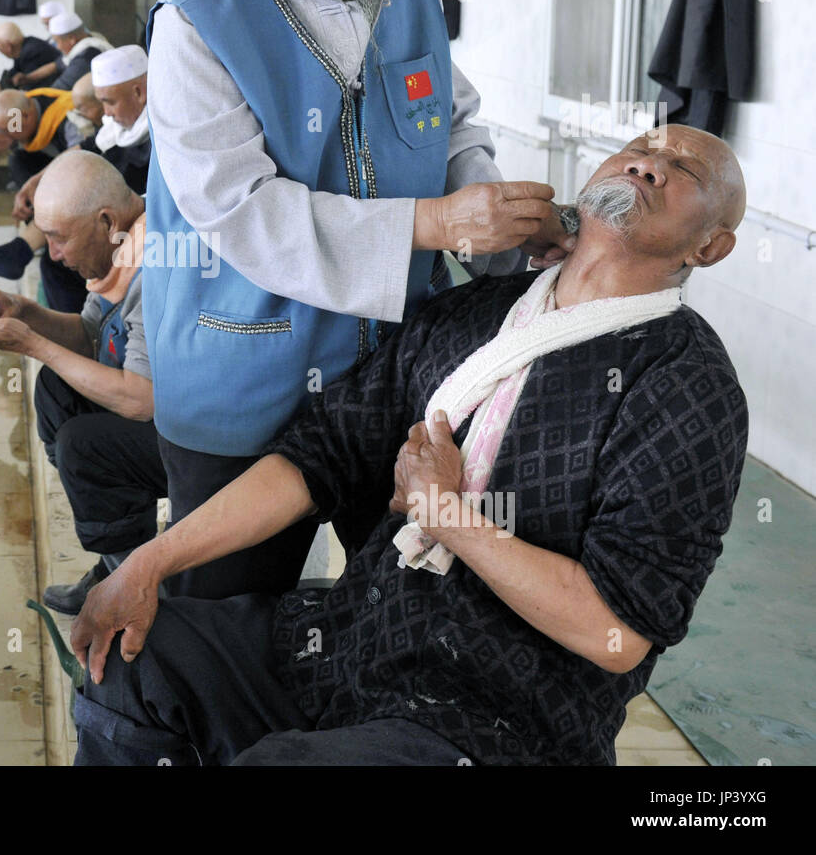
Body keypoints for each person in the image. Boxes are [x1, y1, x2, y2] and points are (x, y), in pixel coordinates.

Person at [69, 125, 750, 767]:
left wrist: (444, 513)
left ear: (710, 247)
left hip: (496, 713)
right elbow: (319, 454)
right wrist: (149, 563)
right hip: (349, 640)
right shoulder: (471, 312)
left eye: (681, 168)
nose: (646, 162)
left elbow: (620, 633)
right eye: (636, 148)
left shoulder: (686, 385)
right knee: (132, 658)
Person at [141, 0, 573, 601]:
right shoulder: (199, 25)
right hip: (245, 375)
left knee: (403, 610)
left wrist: (495, 222)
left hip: (388, 381)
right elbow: (243, 211)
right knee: (222, 627)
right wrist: (435, 222)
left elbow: (446, 119)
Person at [0, 150, 166, 613]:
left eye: (59, 238)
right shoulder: (126, 242)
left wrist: (31, 343)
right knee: (56, 389)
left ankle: (139, 586)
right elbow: (90, 336)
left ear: (106, 221)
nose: (54, 253)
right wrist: (24, 311)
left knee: (83, 446)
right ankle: (119, 560)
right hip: (165, 410)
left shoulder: (157, 266)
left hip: (206, 435)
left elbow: (140, 401)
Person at [0, 46, 153, 314]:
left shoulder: (160, 131)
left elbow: (83, 166)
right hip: (111, 208)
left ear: (139, 92)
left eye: (109, 102)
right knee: (23, 163)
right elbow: (87, 148)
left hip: (136, 219)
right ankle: (20, 251)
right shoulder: (119, 126)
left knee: (58, 253)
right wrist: (36, 180)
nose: (105, 114)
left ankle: (79, 334)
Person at [48, 12, 113, 91]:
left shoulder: (87, 55)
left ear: (71, 39)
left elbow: (57, 90)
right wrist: (30, 77)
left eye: (57, 42)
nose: (58, 47)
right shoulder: (89, 38)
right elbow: (58, 64)